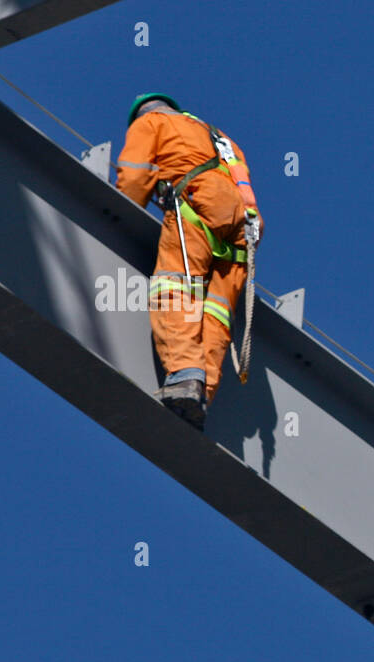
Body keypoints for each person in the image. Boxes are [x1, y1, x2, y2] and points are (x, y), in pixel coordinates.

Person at [115, 93, 261, 430]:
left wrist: (121, 215)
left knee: (175, 288)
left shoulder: (151, 122)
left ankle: (185, 378)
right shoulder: (222, 139)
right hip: (244, 232)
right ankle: (203, 392)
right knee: (217, 314)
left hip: (196, 207)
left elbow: (135, 176)